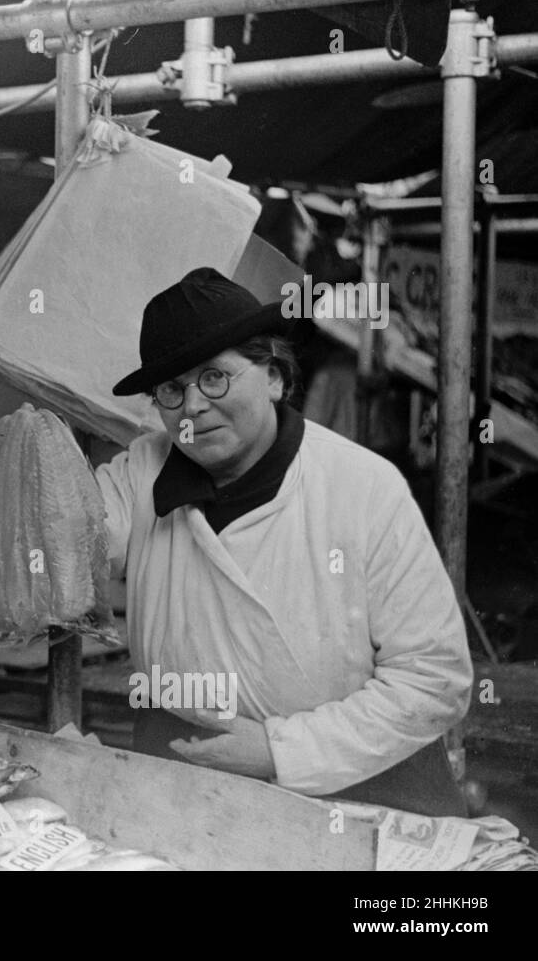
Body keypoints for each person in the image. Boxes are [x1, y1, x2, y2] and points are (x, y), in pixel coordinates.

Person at [95, 267, 472, 816]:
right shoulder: (141, 471)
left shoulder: (363, 487)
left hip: (355, 782)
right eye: (172, 389)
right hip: (185, 767)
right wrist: (13, 479)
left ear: (273, 378)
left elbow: (434, 678)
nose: (193, 405)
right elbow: (71, 543)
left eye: (215, 377)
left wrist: (281, 751)